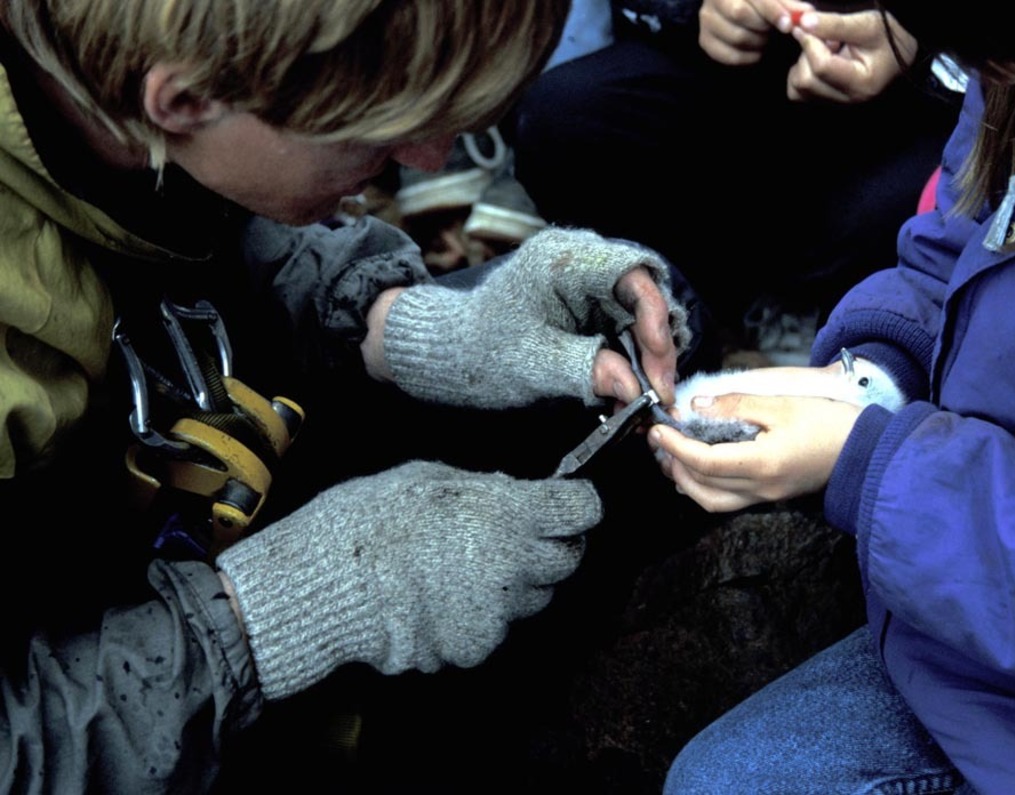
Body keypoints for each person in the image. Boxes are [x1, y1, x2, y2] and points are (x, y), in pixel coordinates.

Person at [0, 1, 700, 791]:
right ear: (186, 100)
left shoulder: (141, 99)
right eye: (383, 131)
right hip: (126, 699)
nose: (433, 161)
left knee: (601, 369)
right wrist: (285, 610)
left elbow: (220, 226)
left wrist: (418, 326)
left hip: (214, 494)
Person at [650, 1, 1015, 792]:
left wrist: (868, 462)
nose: (997, 75)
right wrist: (871, 375)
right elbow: (948, 255)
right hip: (975, 639)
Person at [506, 0, 963, 346]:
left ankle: (840, 342)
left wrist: (918, 37)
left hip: (923, 113)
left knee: (918, 206)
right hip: (729, 85)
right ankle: (690, 329)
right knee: (566, 119)